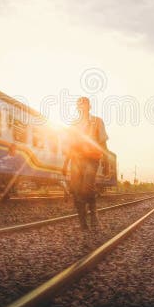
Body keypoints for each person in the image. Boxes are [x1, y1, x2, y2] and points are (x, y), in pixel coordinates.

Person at [65, 97, 108, 230]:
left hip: (92, 158)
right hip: (76, 160)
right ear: (77, 108)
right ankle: (83, 222)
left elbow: (103, 142)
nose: (82, 106)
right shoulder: (73, 124)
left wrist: (106, 161)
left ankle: (93, 215)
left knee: (87, 188)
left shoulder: (97, 121)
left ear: (89, 106)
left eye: (84, 104)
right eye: (79, 104)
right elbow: (70, 145)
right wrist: (65, 164)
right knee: (76, 190)